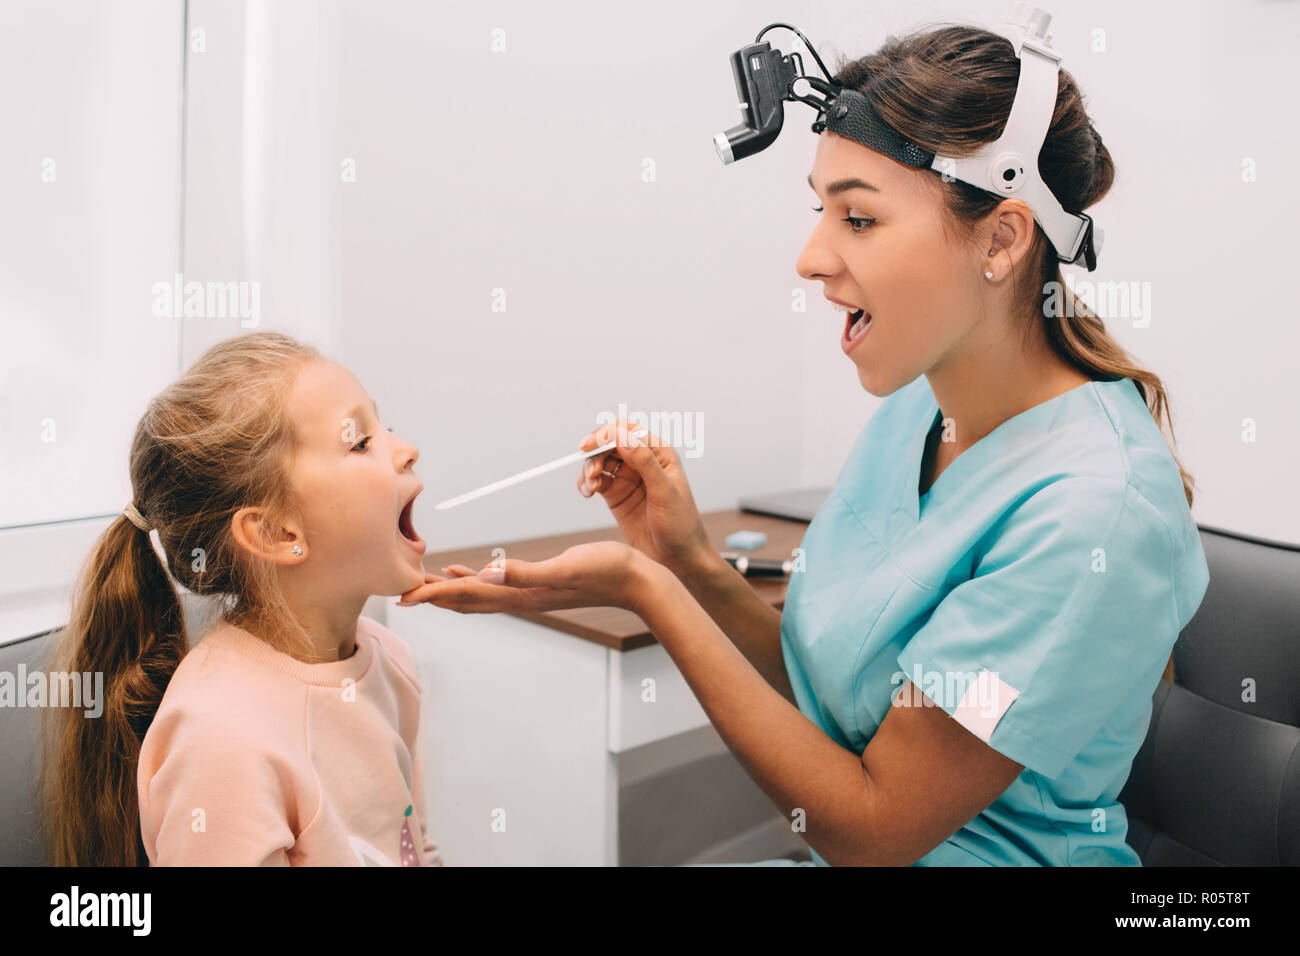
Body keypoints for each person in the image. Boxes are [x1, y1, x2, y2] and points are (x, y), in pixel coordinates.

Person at [398, 21, 1209, 866]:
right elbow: (833, 708)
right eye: (820, 211)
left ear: (1001, 240)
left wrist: (648, 592)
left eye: (858, 217)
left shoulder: (1093, 513)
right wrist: (690, 562)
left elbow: (876, 828)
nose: (810, 257)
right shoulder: (919, 410)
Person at [41, 331, 442, 866]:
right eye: (360, 441)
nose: (406, 448)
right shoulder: (222, 738)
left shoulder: (391, 662)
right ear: (276, 533)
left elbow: (413, 848)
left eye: (382, 425)